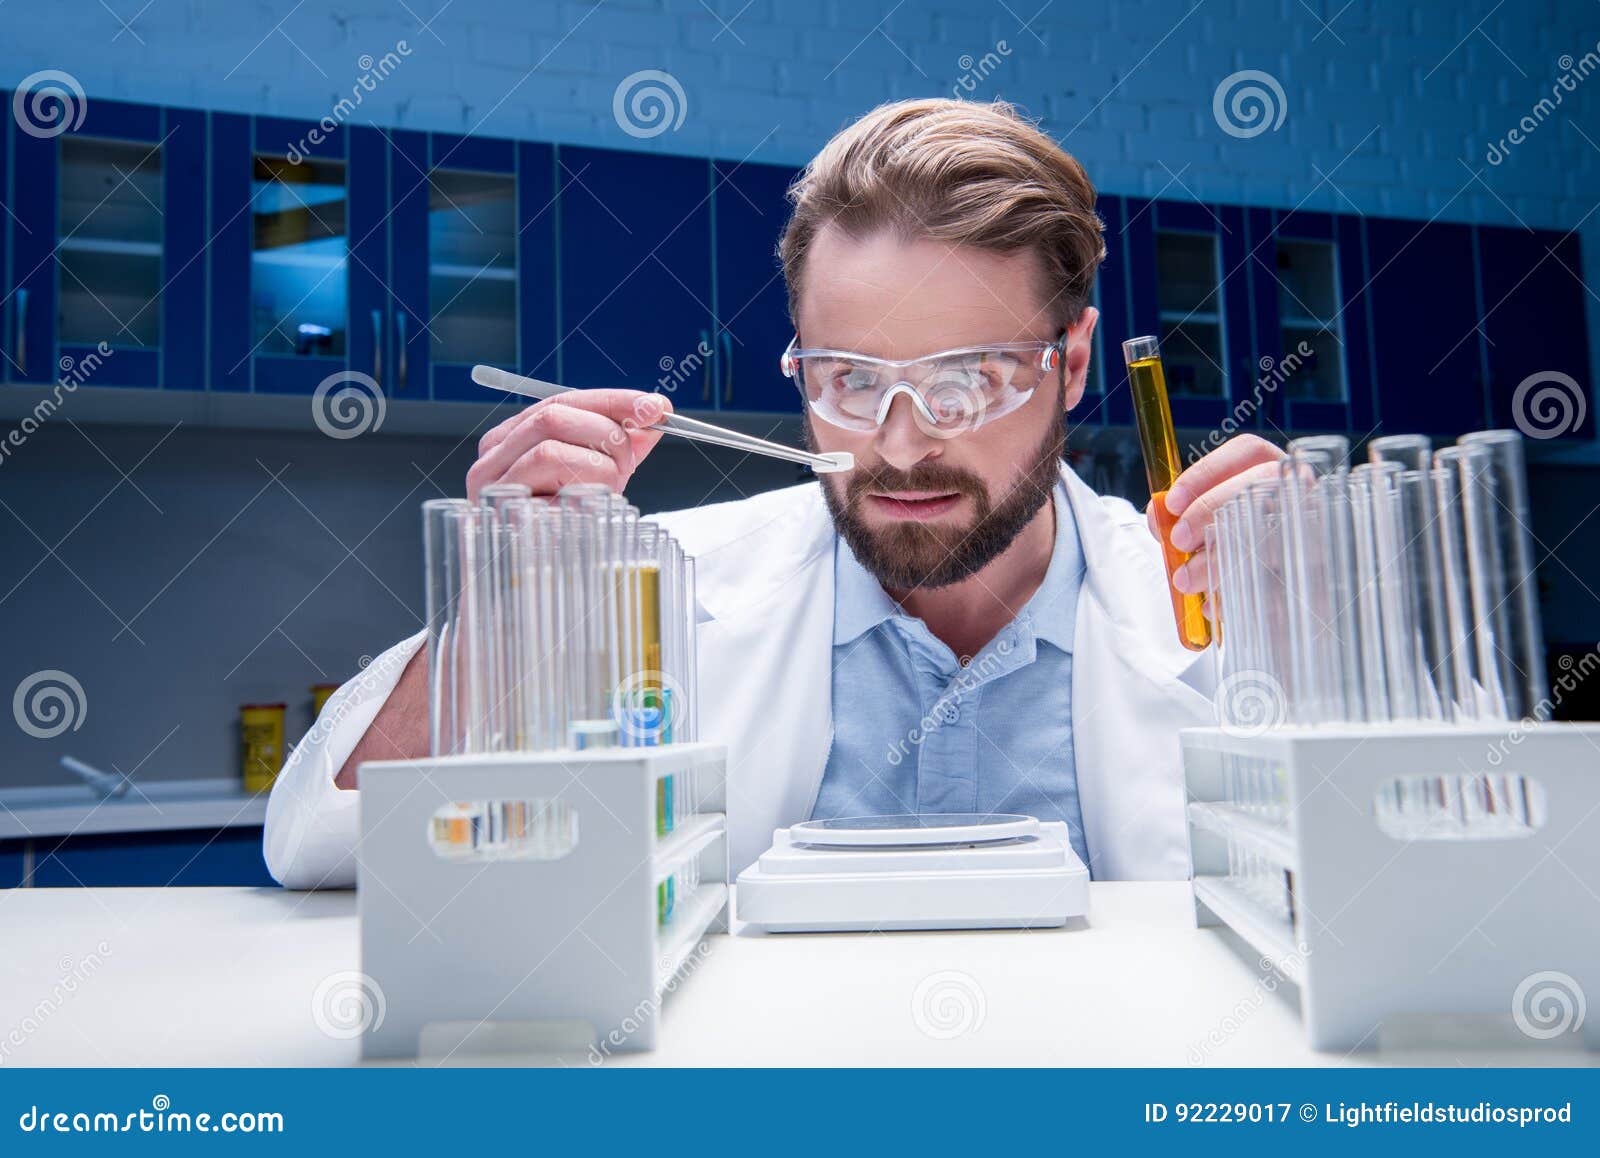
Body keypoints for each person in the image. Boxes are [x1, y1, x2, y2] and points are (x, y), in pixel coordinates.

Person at [264, 97, 1283, 889]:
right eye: (849, 378)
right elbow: (321, 846)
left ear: (1070, 362)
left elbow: (1384, 894)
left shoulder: (1208, 594)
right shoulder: (663, 594)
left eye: (963, 381)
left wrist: (1309, 627)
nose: (898, 444)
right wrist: (498, 621)